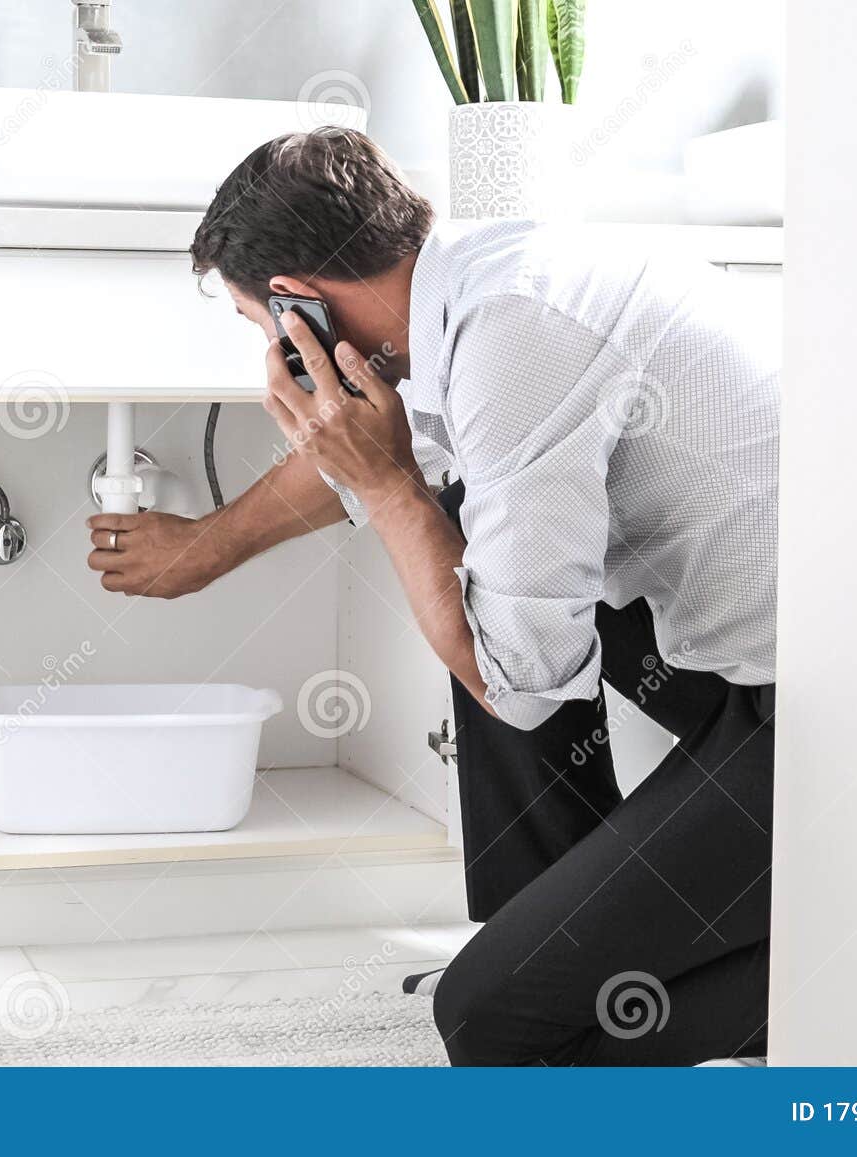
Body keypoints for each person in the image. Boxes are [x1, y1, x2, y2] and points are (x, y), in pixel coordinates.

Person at [85, 128, 779, 1065]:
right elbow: (416, 448)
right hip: (761, 665)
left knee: (496, 1025)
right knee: (464, 520)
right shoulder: (477, 285)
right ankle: (546, 921)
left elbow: (520, 686)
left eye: (259, 325)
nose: (269, 348)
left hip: (825, 731)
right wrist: (207, 546)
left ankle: (841, 962)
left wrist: (388, 489)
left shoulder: (515, 339)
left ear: (296, 305)